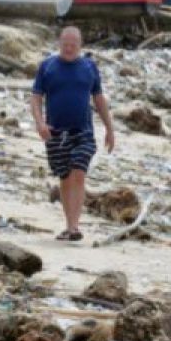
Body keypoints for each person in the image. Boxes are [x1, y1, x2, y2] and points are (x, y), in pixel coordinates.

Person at [31, 26, 115, 242]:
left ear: (80, 45)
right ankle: (69, 227)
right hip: (55, 132)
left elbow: (98, 99)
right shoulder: (47, 66)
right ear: (60, 43)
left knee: (78, 173)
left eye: (73, 45)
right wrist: (40, 123)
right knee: (65, 177)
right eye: (65, 45)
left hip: (83, 131)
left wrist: (109, 128)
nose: (69, 49)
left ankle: (75, 227)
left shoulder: (89, 67)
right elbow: (36, 97)